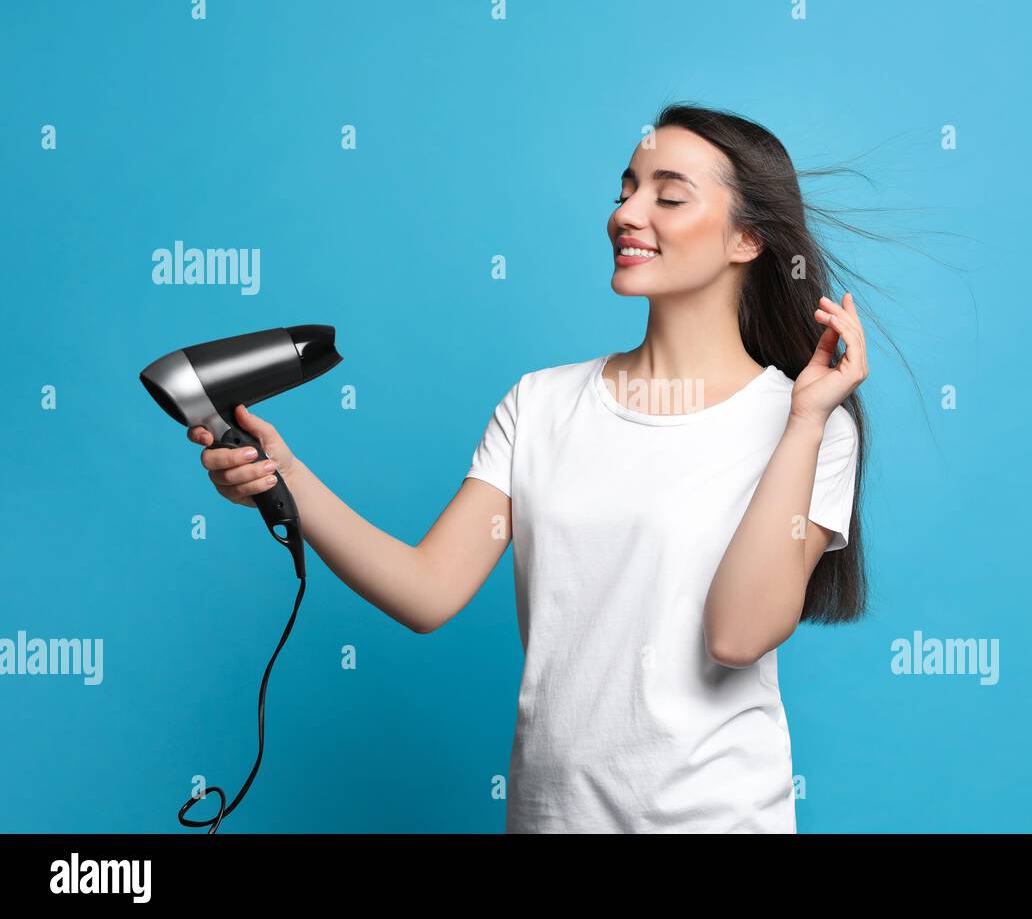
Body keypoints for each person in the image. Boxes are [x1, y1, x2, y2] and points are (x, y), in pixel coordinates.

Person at [189, 102, 873, 833]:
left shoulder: (808, 426)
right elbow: (429, 591)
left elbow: (737, 637)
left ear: (747, 239)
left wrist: (803, 423)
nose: (627, 214)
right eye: (625, 190)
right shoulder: (542, 404)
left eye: (668, 196)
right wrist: (286, 475)